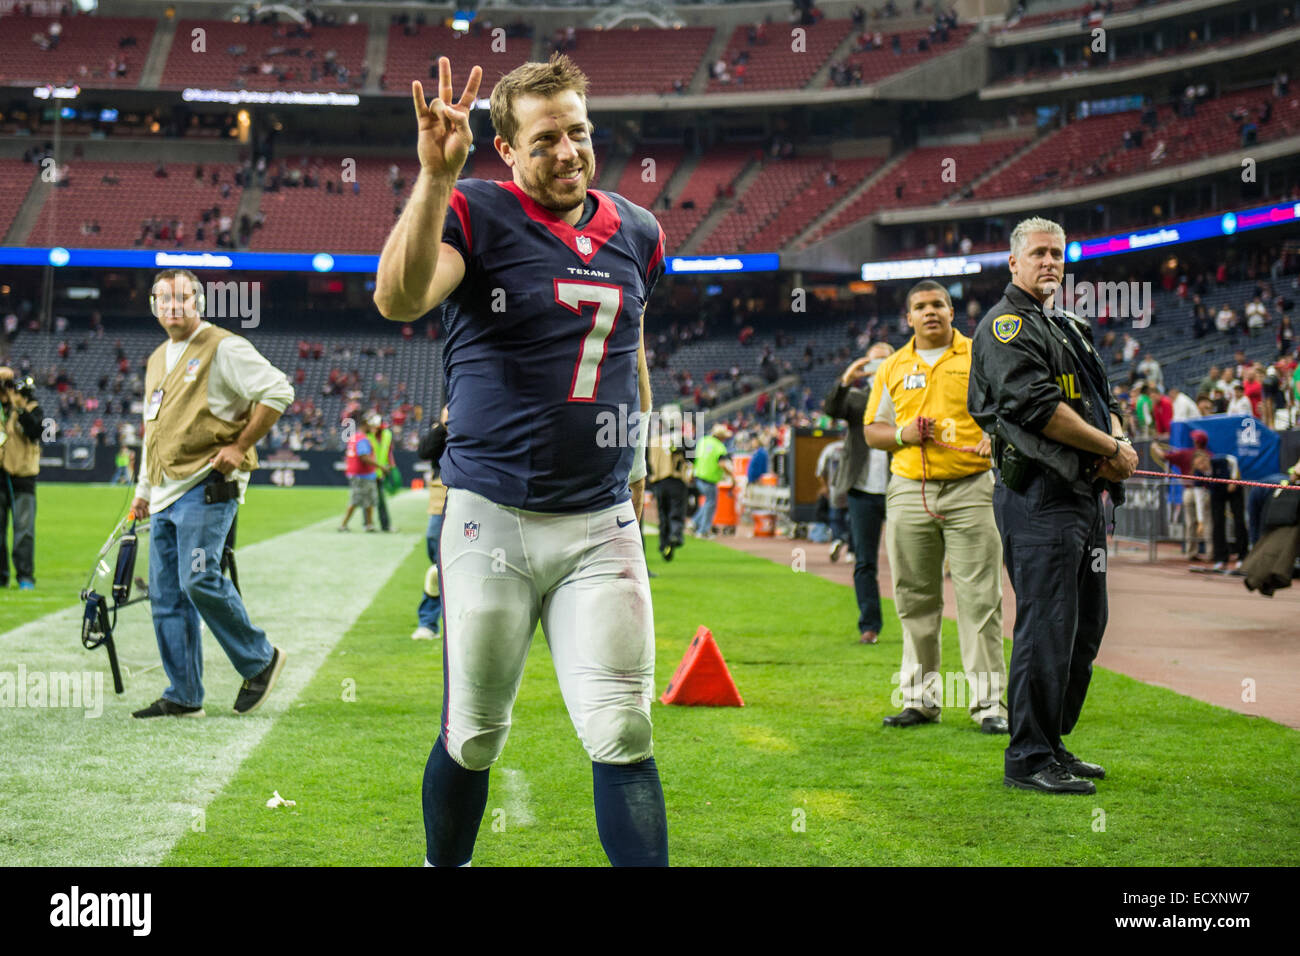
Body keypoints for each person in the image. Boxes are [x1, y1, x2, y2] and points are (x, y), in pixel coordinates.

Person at [373, 55, 668, 867]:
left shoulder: (638, 231)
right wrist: (435, 177)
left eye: (579, 131)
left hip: (598, 520)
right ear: (505, 148)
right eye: (546, 140)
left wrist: (638, 460)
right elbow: (397, 299)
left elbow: (631, 345)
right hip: (490, 514)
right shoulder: (476, 208)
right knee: (473, 734)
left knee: (623, 728)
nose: (569, 151)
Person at [969, 216, 1138, 794]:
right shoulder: (1005, 325)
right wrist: (1111, 446)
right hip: (1038, 495)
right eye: (1038, 253)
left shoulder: (1066, 323)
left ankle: (1053, 744)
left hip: (1081, 496)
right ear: (1013, 263)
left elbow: (1102, 396)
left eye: (1058, 254)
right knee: (1046, 625)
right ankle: (1028, 757)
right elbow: (1039, 408)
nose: (1050, 262)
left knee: (1084, 625)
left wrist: (1114, 435)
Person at [129, 269, 293, 718]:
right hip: (164, 493)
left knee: (198, 578)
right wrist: (143, 490)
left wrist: (239, 446)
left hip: (206, 486)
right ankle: (183, 695)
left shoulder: (225, 346)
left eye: (182, 298)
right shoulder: (157, 358)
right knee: (165, 597)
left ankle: (260, 659)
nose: (173, 307)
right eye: (164, 299)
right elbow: (153, 430)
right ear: (154, 306)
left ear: (198, 302)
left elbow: (278, 390)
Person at [865, 282, 1007, 733]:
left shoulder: (980, 354)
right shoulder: (892, 365)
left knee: (981, 599)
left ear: (952, 311)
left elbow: (1006, 410)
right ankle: (920, 700)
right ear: (909, 318)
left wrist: (995, 433)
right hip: (910, 488)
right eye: (921, 307)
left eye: (938, 305)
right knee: (914, 598)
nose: (930, 312)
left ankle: (989, 706)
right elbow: (874, 430)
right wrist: (904, 434)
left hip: (970, 487)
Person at [824, 343, 892, 644]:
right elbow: (831, 409)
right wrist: (846, 378)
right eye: (873, 361)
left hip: (900, 487)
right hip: (862, 491)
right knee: (865, 561)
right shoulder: (856, 397)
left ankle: (921, 623)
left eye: (884, 361)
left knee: (913, 561)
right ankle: (870, 626)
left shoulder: (906, 397)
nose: (877, 366)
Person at [0, 367, 43, 590]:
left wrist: (19, 409)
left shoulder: (34, 410)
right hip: (1, 476)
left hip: (24, 479)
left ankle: (25, 576)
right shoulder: (4, 411)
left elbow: (36, 432)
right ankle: (1, 576)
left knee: (23, 531)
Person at [412, 407, 449, 640]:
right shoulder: (442, 426)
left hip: (476, 493)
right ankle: (429, 623)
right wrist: (444, 426)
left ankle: (430, 621)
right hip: (441, 494)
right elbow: (425, 451)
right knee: (437, 561)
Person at [1151, 430, 1213, 563]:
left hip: (1192, 491)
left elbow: (1162, 455)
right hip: (1204, 492)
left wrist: (1155, 446)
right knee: (1206, 522)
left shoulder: (1186, 453)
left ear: (1196, 441)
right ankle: (1210, 552)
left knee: (1192, 523)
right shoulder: (1210, 455)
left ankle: (1192, 552)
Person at [647, 407, 692, 561]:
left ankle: (663, 544)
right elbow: (692, 457)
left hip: (658, 482)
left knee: (662, 514)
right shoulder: (681, 438)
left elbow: (647, 464)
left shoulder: (653, 441)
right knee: (676, 511)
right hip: (676, 480)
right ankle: (675, 535)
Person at [692, 423, 733, 537]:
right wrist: (731, 476)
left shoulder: (703, 441)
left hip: (698, 475)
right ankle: (703, 530)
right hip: (709, 478)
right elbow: (723, 464)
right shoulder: (720, 447)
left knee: (708, 502)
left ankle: (695, 521)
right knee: (711, 503)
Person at [369, 412, 396, 531]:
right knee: (367, 501)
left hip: (380, 473)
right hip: (368, 473)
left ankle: (385, 525)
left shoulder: (386, 434)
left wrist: (391, 465)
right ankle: (368, 524)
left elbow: (388, 452)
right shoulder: (368, 436)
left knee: (380, 501)